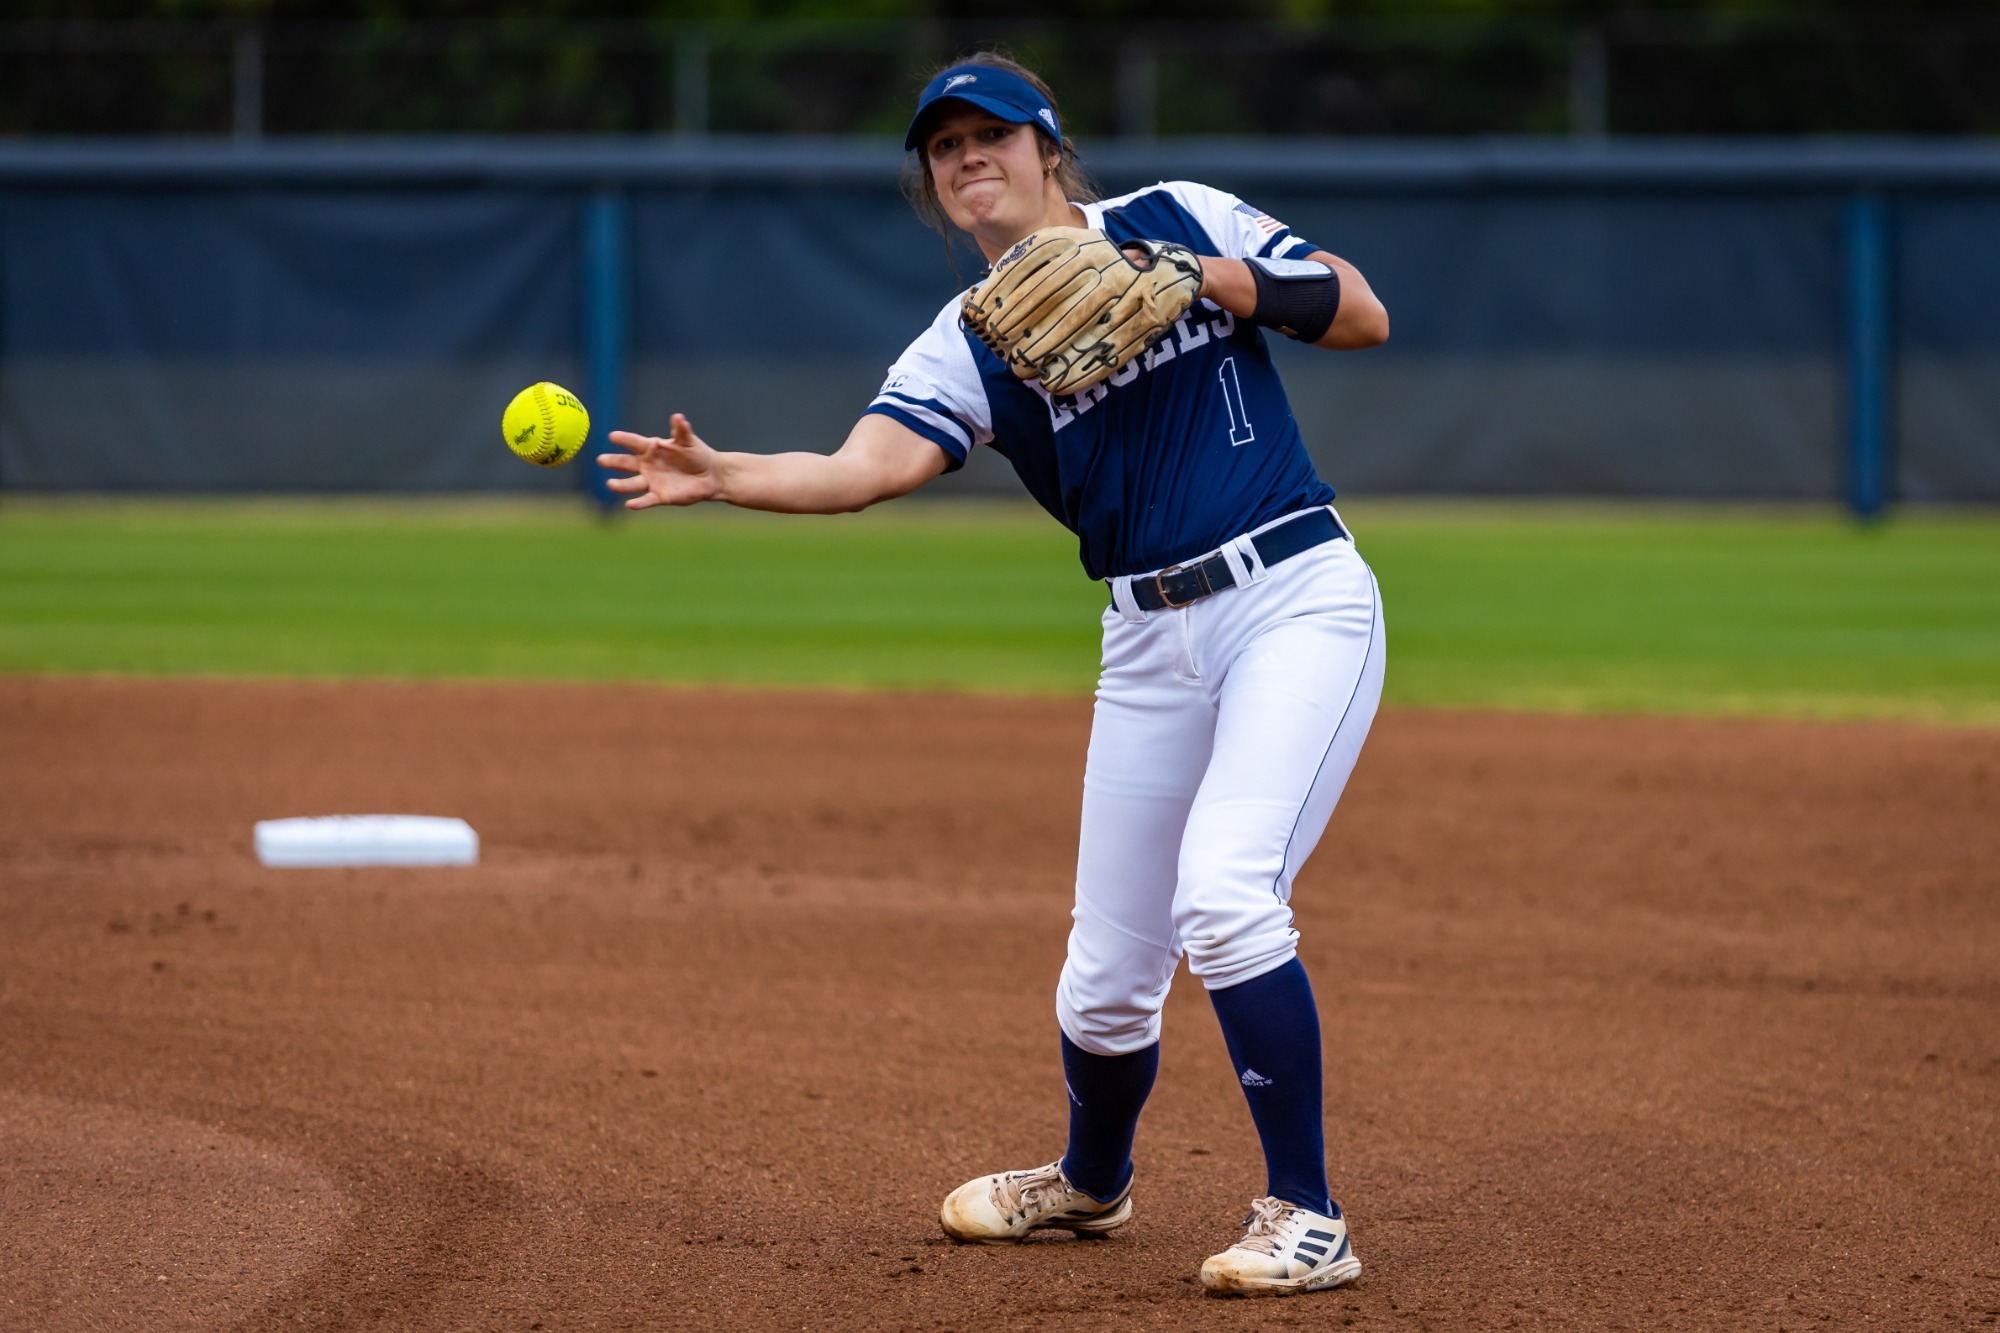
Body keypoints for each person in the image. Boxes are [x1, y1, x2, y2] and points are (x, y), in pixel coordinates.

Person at [598, 52, 1389, 1299]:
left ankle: (1308, 1215)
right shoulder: (971, 338)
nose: (968, 158)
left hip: (1292, 594)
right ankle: (1089, 1185)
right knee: (1105, 974)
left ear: (1045, 146)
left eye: (992, 135)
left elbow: (1354, 308)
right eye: (943, 146)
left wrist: (1195, 280)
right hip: (1144, 636)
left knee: (1226, 897)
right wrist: (729, 474)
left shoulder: (1176, 216)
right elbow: (862, 467)